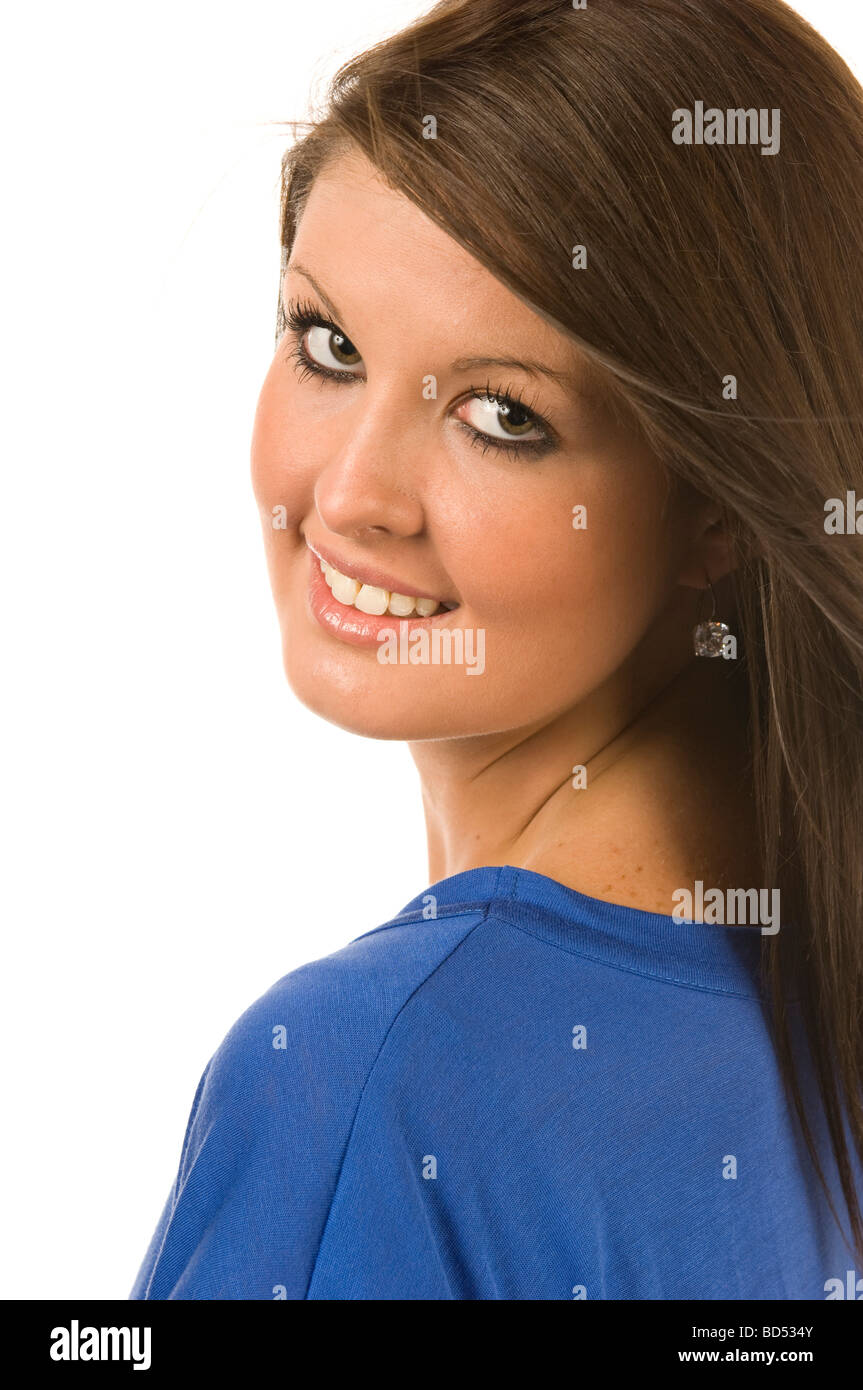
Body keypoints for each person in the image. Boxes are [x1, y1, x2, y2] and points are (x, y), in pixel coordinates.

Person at [130, 0, 863, 1299]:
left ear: (714, 509)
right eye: (330, 344)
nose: (354, 495)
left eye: (500, 414)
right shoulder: (805, 1006)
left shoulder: (364, 1082)